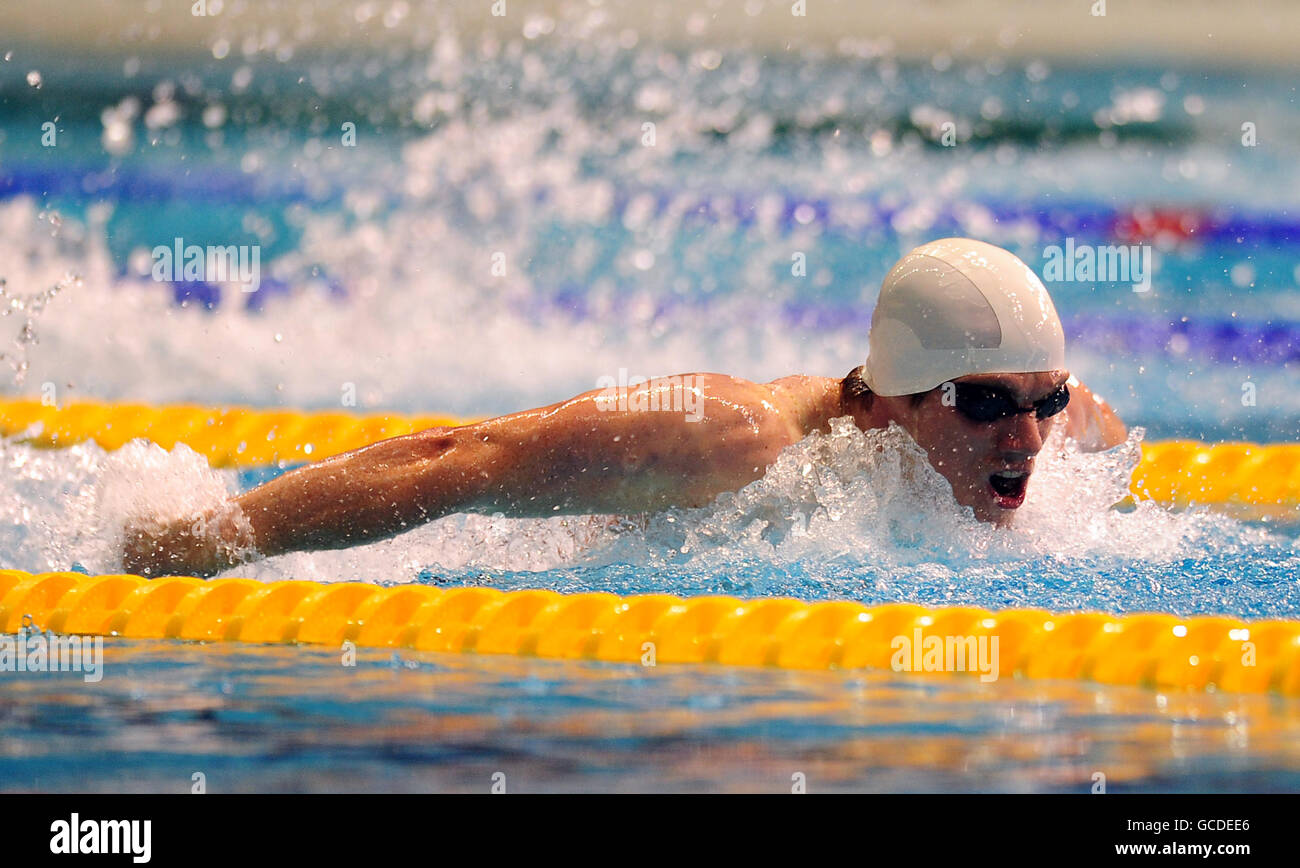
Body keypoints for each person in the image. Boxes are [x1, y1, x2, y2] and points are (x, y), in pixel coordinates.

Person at [121, 238, 1127, 578]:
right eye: (989, 402)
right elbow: (456, 454)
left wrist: (1056, 403)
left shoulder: (1046, 424)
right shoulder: (732, 437)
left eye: (1042, 400)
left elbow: (1099, 426)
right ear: (894, 402)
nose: (1027, 438)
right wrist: (215, 537)